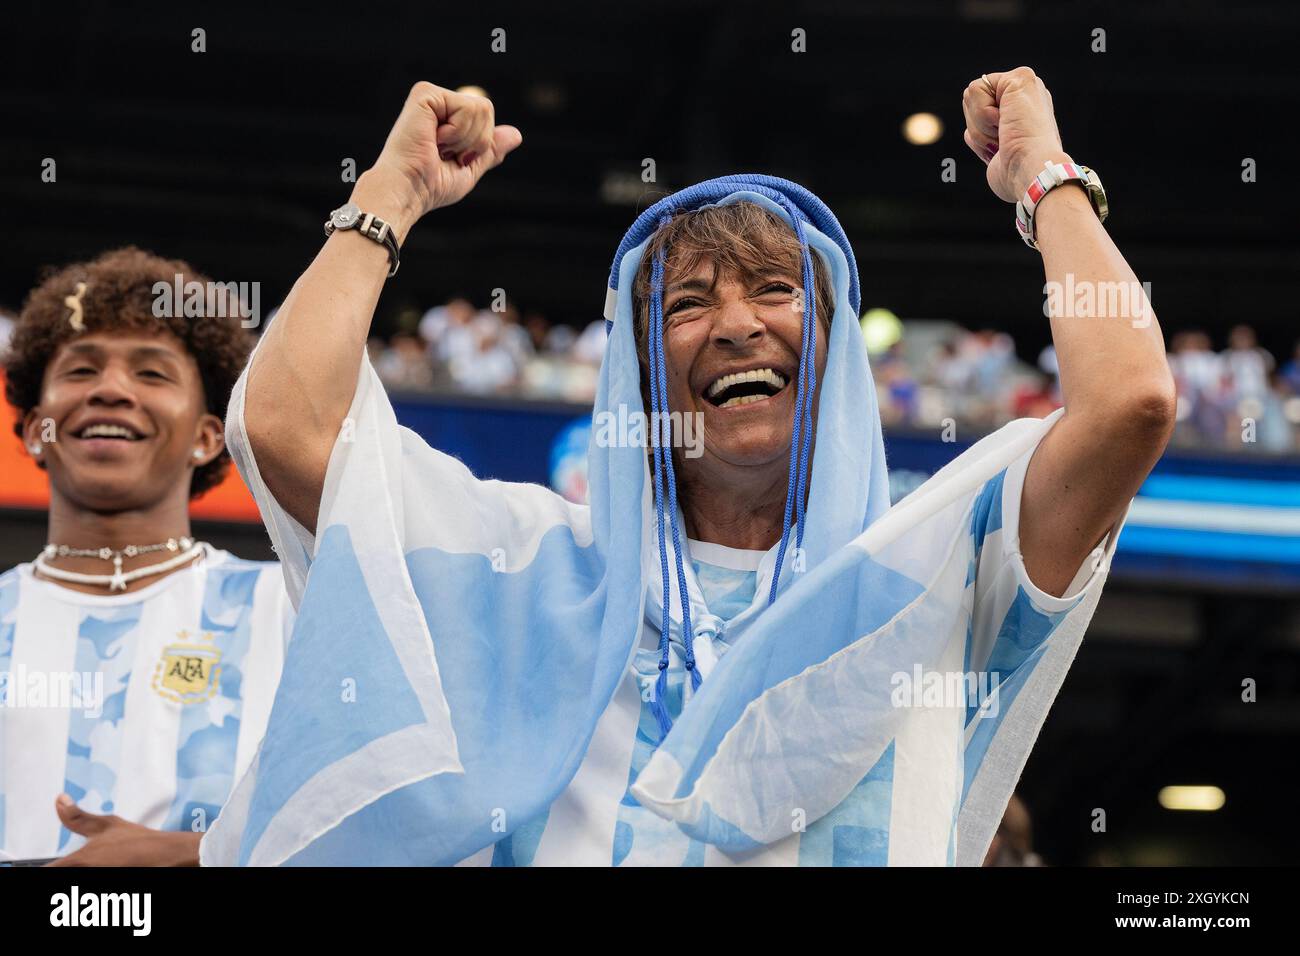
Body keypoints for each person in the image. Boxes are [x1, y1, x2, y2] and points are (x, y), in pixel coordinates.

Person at [202, 70, 1174, 867]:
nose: (739, 322)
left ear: (835, 355)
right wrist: (389, 196)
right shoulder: (529, 565)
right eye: (686, 305)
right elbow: (285, 423)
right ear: (636, 378)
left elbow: (1129, 402)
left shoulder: (941, 560)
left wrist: (1044, 176)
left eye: (776, 289)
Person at [0, 247, 292, 865]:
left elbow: (376, 824)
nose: (110, 390)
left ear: (208, 437)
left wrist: (195, 854)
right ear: (32, 430)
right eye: (80, 371)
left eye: (152, 374)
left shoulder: (291, 610)